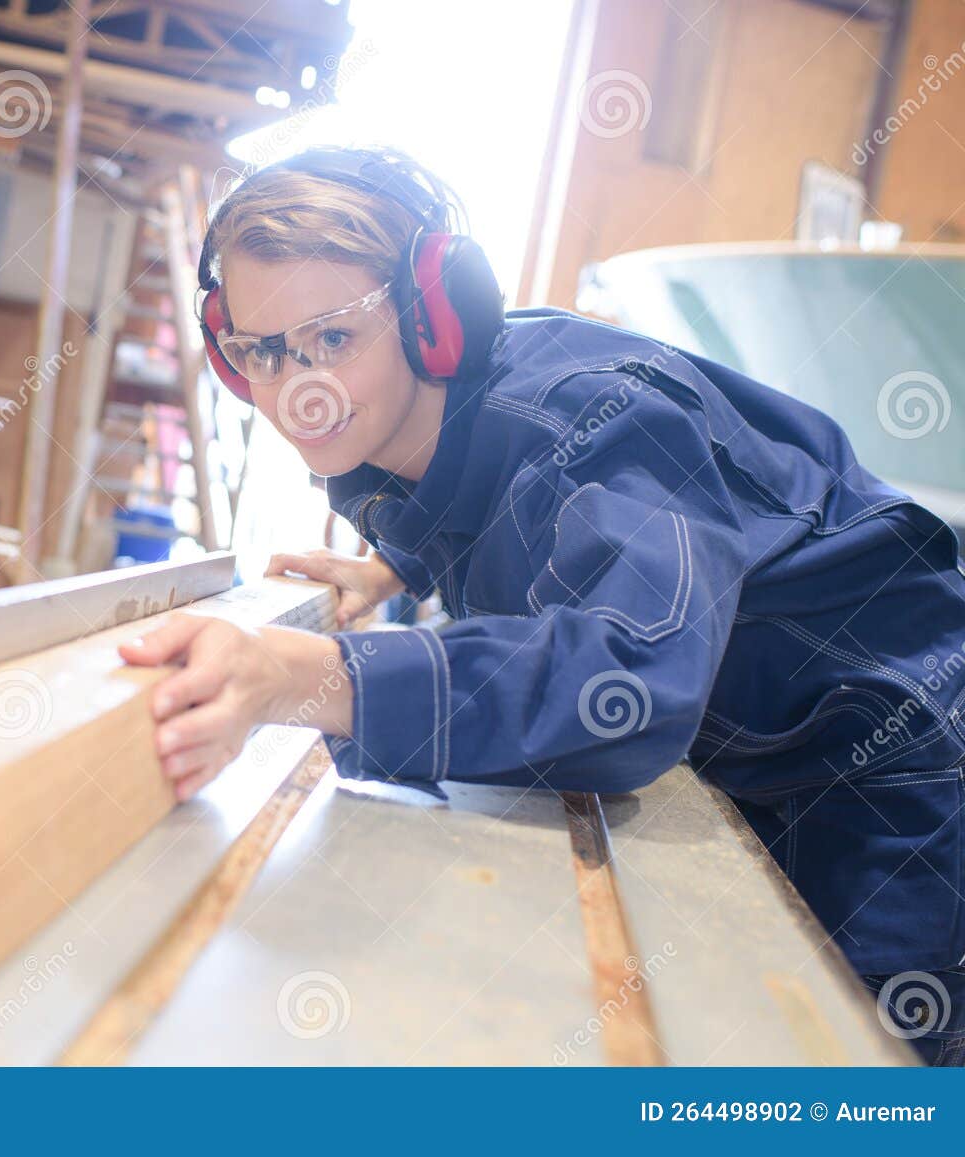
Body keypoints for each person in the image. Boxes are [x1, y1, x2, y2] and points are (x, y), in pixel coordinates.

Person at [116, 145, 965, 1065]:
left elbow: (629, 679)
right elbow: (473, 509)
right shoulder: (388, 435)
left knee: (862, 1067)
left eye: (333, 338)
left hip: (897, 760)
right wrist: (392, 572)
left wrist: (310, 673)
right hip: (761, 740)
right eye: (263, 351)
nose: (299, 389)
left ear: (434, 316)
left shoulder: (598, 422)